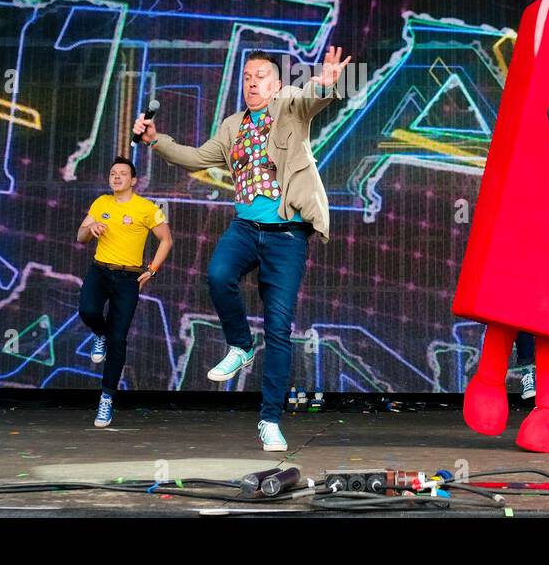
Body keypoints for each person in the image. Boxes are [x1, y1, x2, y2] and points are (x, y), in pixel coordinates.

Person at [135, 47, 350, 452]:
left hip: (287, 236)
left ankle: (270, 420)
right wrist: (155, 140)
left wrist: (326, 82)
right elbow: (198, 157)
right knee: (218, 275)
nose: (253, 83)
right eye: (248, 77)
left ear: (277, 83)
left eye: (261, 76)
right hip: (246, 228)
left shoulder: (289, 107)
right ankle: (241, 345)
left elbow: (313, 98)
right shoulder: (233, 125)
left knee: (279, 327)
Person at [76, 156, 172, 428]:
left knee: (118, 340)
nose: (116, 177)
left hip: (129, 277)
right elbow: (80, 236)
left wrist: (151, 270)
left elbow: (166, 240)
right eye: (112, 173)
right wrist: (89, 228)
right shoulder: (101, 203)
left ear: (133, 180)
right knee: (88, 310)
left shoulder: (146, 208)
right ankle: (99, 333)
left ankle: (106, 398)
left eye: (122, 174)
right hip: (100, 269)